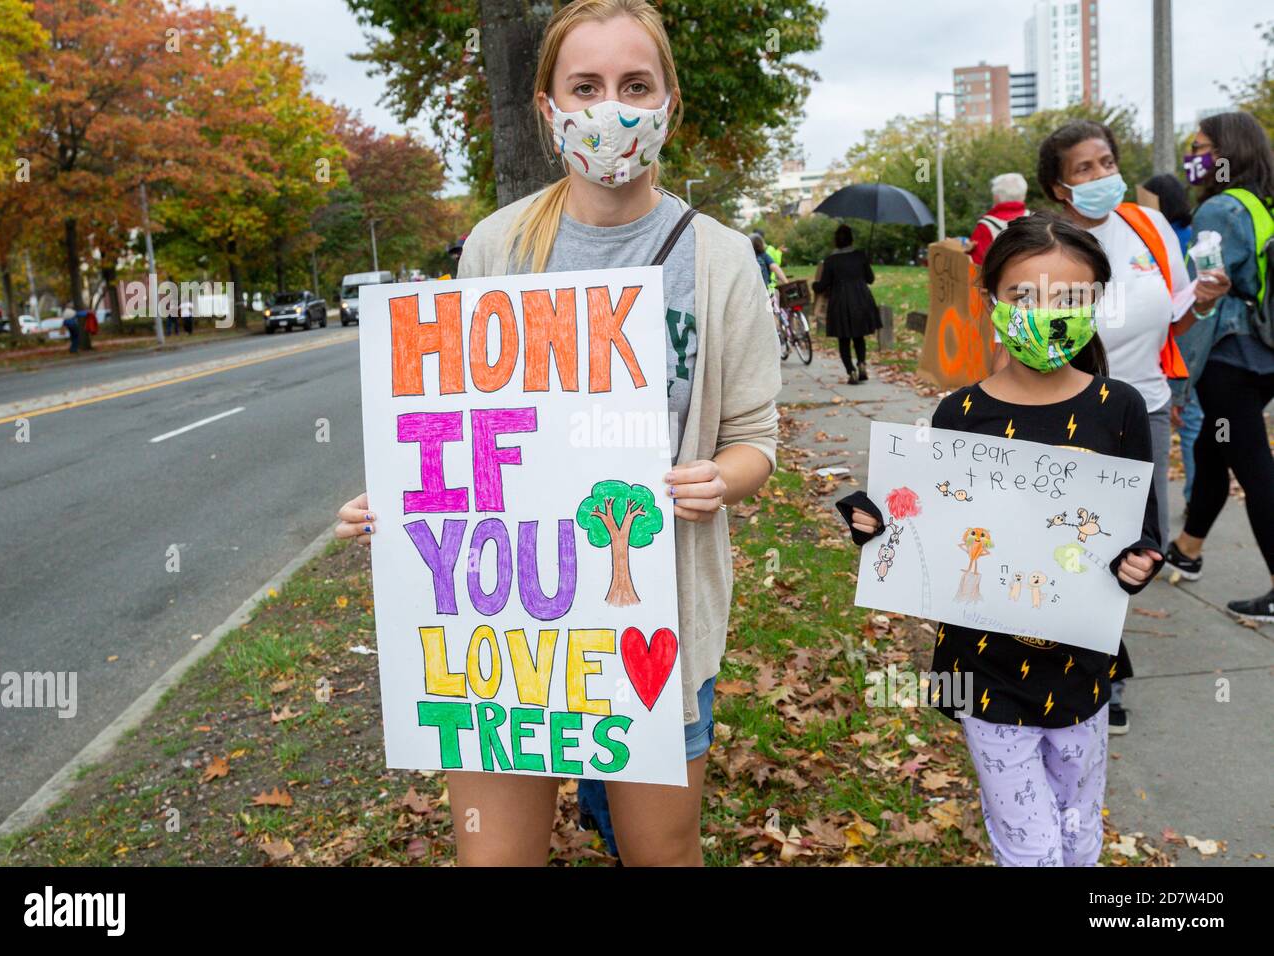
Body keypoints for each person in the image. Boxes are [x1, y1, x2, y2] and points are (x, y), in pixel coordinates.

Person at [334, 0, 781, 866]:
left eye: (634, 85)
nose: (609, 107)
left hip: (658, 628)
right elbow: (462, 430)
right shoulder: (497, 248)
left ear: (668, 104)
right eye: (585, 86)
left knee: (663, 855)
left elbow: (755, 436)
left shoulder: (721, 260)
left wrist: (722, 478)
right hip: (507, 638)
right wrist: (402, 503)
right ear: (549, 109)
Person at [839, 214, 1163, 865]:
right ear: (991, 300)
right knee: (1027, 843)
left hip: (1079, 668)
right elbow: (920, 531)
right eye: (1024, 296)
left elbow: (1144, 532)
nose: (1047, 314)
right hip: (983, 668)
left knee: (1076, 834)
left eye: (1069, 298)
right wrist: (875, 526)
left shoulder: (1119, 406)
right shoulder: (959, 413)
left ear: (1098, 299)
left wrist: (1140, 562)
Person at [1032, 120, 1230, 733]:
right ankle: (1099, 670)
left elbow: (1174, 315)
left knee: (1139, 543)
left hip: (1142, 405)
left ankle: (1098, 656)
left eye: (1106, 162)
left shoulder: (1148, 228)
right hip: (1066, 407)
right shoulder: (1045, 243)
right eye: (1084, 169)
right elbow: (1019, 331)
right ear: (1061, 187)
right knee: (1075, 540)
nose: (1101, 176)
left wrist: (1201, 300)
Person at [1164, 111, 1274, 623]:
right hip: (1265, 352)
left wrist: (1181, 375)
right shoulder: (1259, 203)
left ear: (1226, 151)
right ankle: (1187, 549)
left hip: (1229, 354)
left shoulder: (1218, 210)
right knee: (1213, 449)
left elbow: (1203, 301)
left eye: (1201, 145)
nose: (1193, 154)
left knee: (1254, 468)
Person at [1141, 173, 1202, 502]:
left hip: (1176, 344)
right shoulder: (1190, 234)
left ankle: (1194, 497)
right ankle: (1196, 496)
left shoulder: (1161, 239)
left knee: (1189, 419)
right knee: (1194, 421)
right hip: (1193, 341)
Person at [812, 223, 881, 385]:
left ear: (836, 241)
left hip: (840, 302)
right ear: (851, 239)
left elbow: (822, 285)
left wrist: (814, 286)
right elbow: (870, 279)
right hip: (861, 299)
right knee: (859, 336)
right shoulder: (860, 256)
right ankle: (862, 363)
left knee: (843, 339)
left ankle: (851, 371)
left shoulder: (830, 261)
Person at [968, 172, 1030, 266]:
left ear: (996, 197)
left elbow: (977, 267)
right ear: (1024, 195)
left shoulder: (985, 227)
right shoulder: (1038, 220)